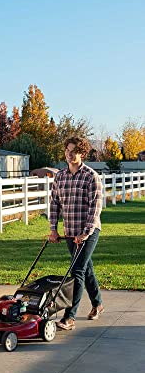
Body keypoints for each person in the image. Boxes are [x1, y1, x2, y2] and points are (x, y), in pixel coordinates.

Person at [48, 137, 104, 330]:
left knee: (77, 270)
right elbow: (54, 203)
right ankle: (97, 304)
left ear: (82, 154)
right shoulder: (60, 177)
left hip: (88, 231)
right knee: (85, 267)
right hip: (70, 232)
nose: (69, 154)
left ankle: (69, 317)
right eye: (67, 150)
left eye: (73, 151)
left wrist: (86, 233)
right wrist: (53, 229)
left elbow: (95, 208)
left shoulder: (91, 176)